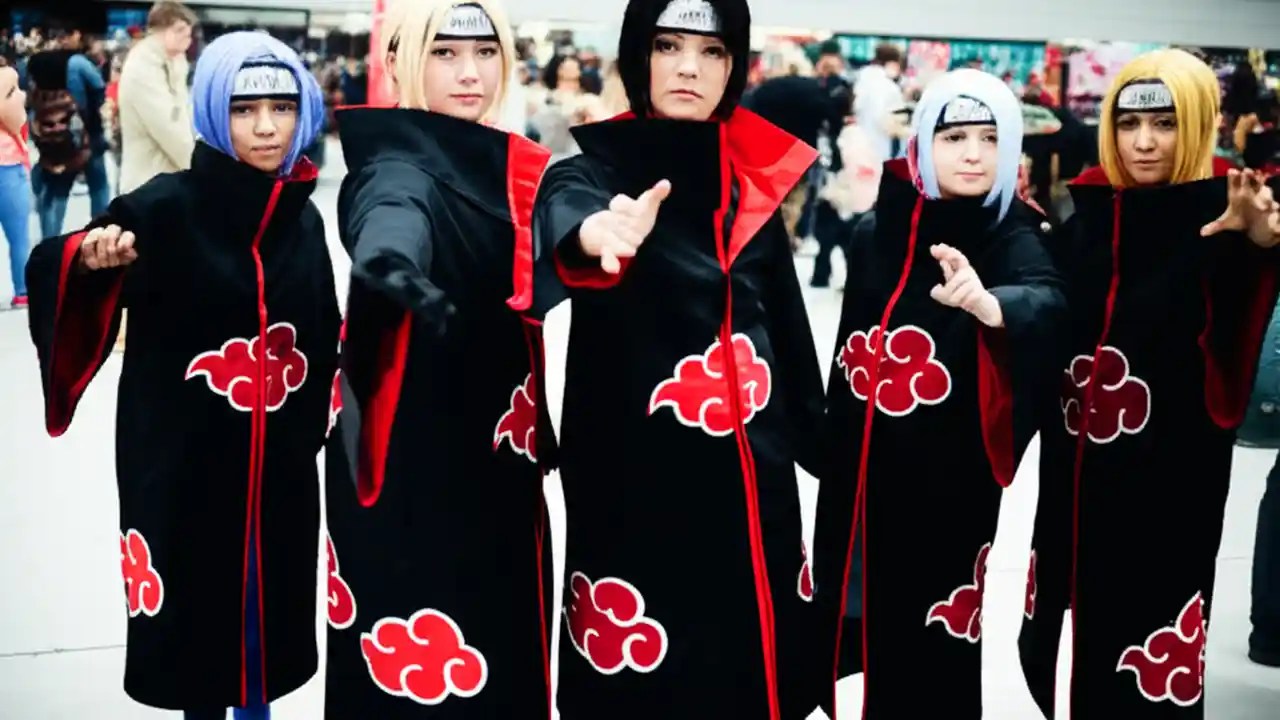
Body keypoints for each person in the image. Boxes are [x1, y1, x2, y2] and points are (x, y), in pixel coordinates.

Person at [25, 31, 337, 720]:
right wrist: (89, 258)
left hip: (278, 475)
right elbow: (56, 260)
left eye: (282, 107)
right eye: (243, 108)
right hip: (182, 469)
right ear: (212, 110)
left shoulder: (303, 218)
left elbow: (323, 334)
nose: (265, 126)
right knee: (197, 632)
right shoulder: (164, 208)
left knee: (265, 618)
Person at [531, 0, 825, 717]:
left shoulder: (752, 180)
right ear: (639, 55)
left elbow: (786, 329)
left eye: (712, 51)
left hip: (750, 487)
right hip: (635, 485)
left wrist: (835, 449)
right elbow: (567, 214)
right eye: (668, 45)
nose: (690, 67)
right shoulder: (595, 169)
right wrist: (598, 233)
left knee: (745, 675)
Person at [1019, 49, 1280, 720]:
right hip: (1077, 478)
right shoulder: (1089, 220)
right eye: (1129, 123)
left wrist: (1257, 251)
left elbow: (1234, 350)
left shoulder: (1218, 218)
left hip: (1170, 482)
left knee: (1147, 644)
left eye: (1165, 124)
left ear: (1195, 124)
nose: (1142, 143)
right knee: (1082, 633)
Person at [322, 1, 558, 717]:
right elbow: (393, 213)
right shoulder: (398, 165)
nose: (469, 72)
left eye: (485, 54)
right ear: (402, 63)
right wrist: (390, 262)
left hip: (491, 459)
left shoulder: (491, 157)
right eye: (445, 54)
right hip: (416, 466)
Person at [811, 68, 1065, 720]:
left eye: (989, 137)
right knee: (860, 617)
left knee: (934, 638)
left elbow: (1046, 298)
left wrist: (992, 304)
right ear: (924, 141)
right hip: (865, 474)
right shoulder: (879, 229)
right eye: (954, 136)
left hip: (948, 481)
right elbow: (849, 353)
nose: (974, 153)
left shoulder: (1014, 233)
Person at [26, 17, 109, 237]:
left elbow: (29, 97)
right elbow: (99, 88)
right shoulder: (78, 62)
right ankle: (98, 236)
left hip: (52, 137)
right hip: (87, 134)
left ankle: (49, 242)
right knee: (98, 187)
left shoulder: (34, 61)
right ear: (73, 35)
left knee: (56, 191)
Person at [117, 1, 196, 194]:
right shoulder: (143, 66)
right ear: (169, 30)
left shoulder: (172, 60)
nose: (189, 40)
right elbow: (170, 129)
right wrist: (201, 170)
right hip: (147, 185)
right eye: (183, 32)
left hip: (167, 181)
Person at [0, 64, 30, 308]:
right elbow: (13, 115)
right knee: (18, 234)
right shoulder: (5, 75)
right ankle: (22, 289)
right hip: (7, 163)